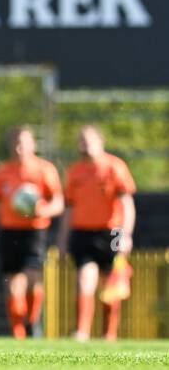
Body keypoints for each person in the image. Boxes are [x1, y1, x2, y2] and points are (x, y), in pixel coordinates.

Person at [0, 126, 63, 338]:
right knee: (14, 285)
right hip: (9, 231)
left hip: (35, 232)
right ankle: (18, 332)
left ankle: (32, 322)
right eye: (14, 143)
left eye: (23, 142)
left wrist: (42, 209)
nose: (19, 148)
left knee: (33, 279)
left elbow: (59, 203)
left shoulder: (45, 169)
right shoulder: (3, 171)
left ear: (33, 144)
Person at [56, 125, 137, 341]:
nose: (85, 144)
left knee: (111, 285)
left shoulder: (114, 167)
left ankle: (108, 335)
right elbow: (68, 210)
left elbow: (126, 205)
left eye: (89, 140)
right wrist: (62, 241)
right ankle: (81, 332)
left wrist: (125, 236)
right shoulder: (74, 171)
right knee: (85, 279)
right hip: (83, 233)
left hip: (111, 234)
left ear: (100, 142)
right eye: (81, 140)